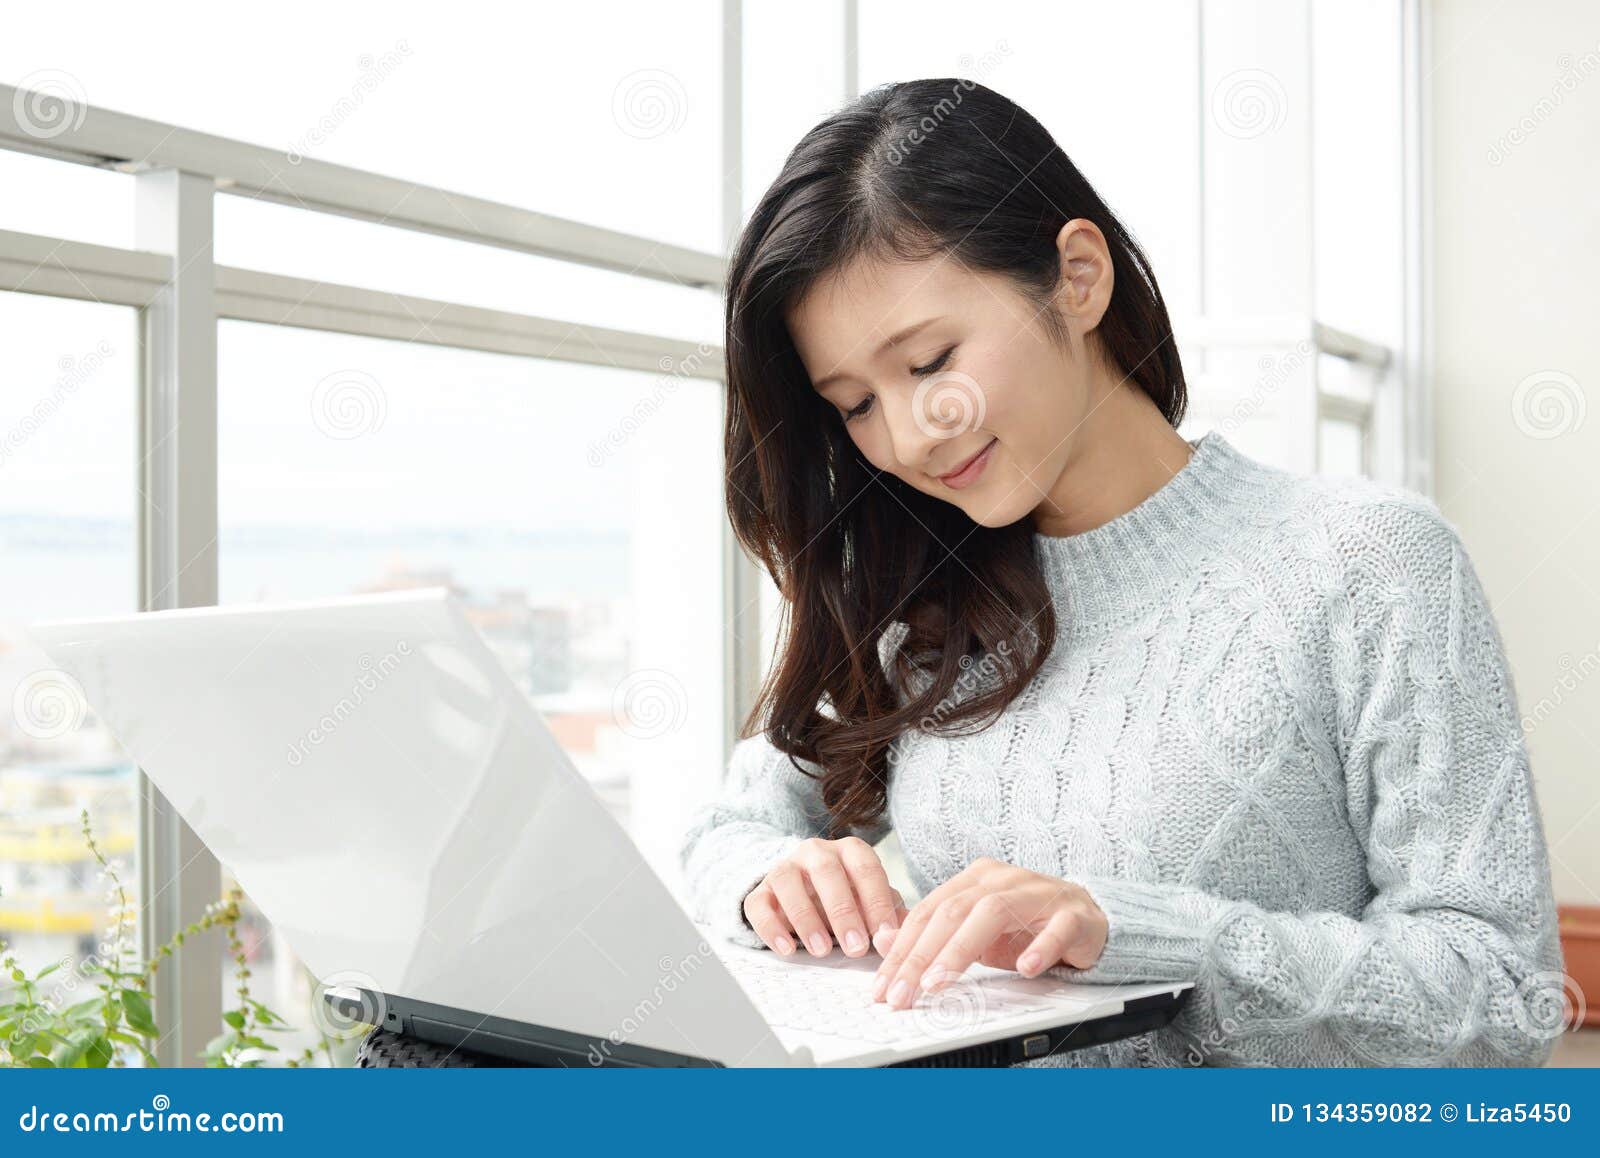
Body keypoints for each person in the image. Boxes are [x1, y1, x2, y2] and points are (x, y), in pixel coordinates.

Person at [678, 77, 1566, 1067]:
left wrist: (1141, 938)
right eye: (852, 404)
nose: (908, 434)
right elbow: (731, 827)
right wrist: (769, 878)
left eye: (930, 361)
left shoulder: (1367, 563)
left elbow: (1504, 1003)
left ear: (1078, 276)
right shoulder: (918, 599)